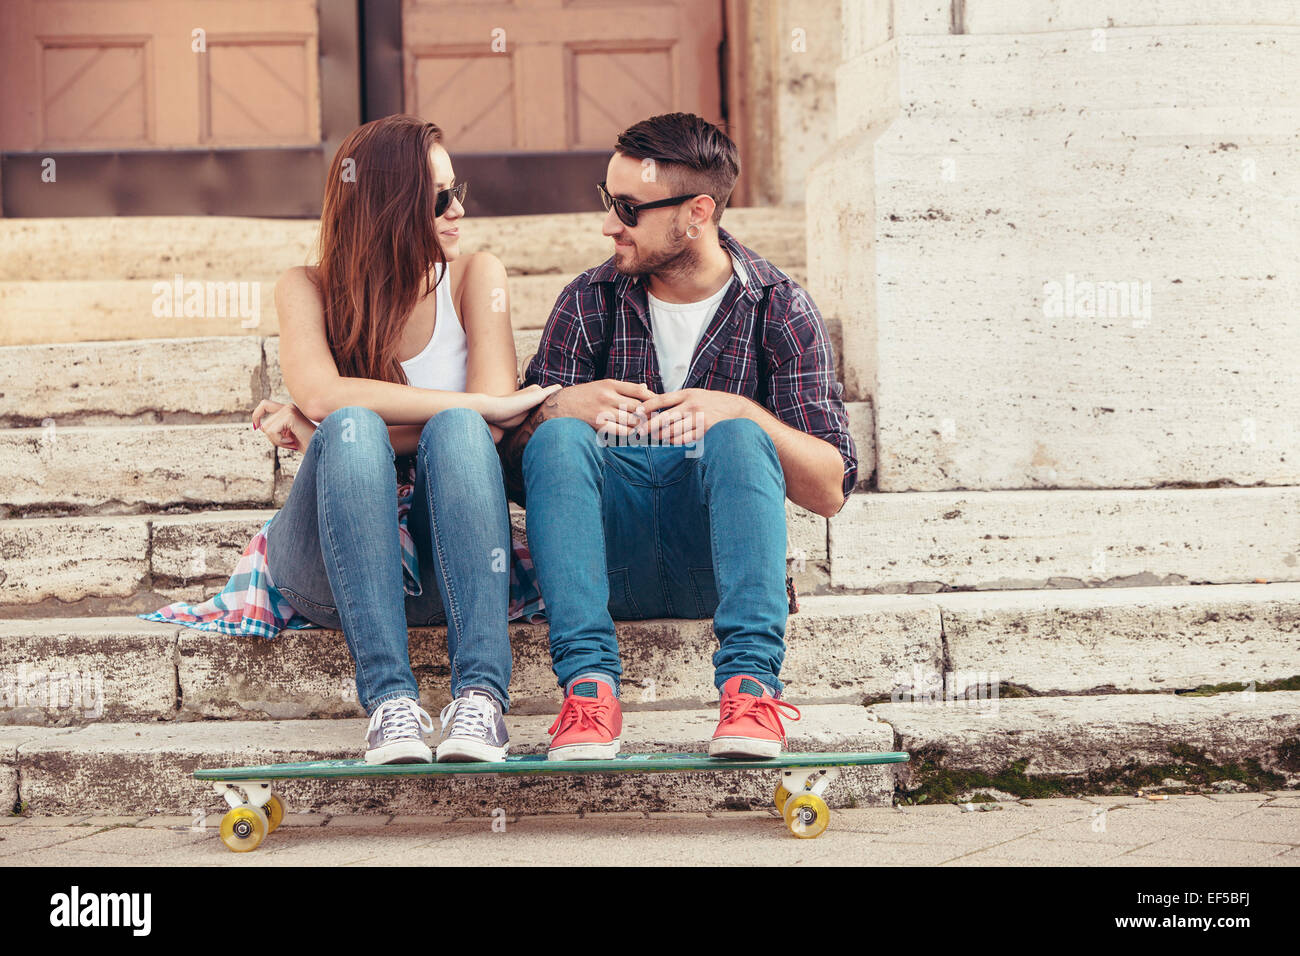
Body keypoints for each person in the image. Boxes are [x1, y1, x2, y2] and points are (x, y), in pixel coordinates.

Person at [140, 114, 559, 765]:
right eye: (438, 199)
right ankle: (392, 704)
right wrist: (342, 426)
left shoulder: (478, 276)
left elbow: (489, 420)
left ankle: (479, 700)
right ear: (387, 207)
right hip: (330, 567)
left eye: (459, 190)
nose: (458, 211)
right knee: (359, 425)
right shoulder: (305, 287)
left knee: (433, 428)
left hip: (448, 555)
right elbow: (326, 394)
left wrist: (326, 431)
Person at [498, 112, 858, 761]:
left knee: (742, 436)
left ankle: (751, 690)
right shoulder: (589, 300)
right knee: (556, 436)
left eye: (628, 208)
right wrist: (555, 411)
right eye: (607, 202)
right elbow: (511, 471)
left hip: (717, 569)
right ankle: (587, 692)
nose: (609, 224)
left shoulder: (780, 308)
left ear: (696, 212)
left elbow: (829, 490)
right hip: (602, 566)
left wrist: (745, 415)